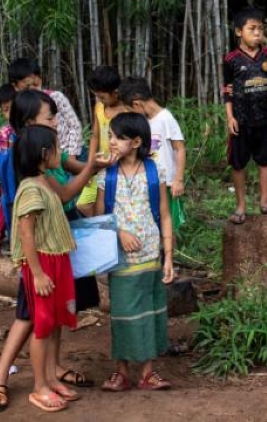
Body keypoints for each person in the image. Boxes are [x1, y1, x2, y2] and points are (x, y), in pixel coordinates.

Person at [0, 91, 103, 413]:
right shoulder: (26, 176)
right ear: (30, 126)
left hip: (55, 252)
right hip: (39, 257)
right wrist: (33, 268)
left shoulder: (42, 171)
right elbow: (24, 223)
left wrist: (91, 166)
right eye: (50, 118)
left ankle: (50, 376)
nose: (55, 122)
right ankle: (7, 378)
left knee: (52, 319)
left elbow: (66, 189)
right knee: (34, 319)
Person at [96, 113, 175, 392]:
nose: (112, 141)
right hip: (120, 258)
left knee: (149, 311)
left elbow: (165, 215)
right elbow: (99, 217)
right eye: (111, 136)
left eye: (119, 137)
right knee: (123, 312)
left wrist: (169, 256)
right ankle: (121, 371)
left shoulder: (155, 171)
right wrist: (120, 233)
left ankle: (148, 373)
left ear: (137, 141)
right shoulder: (107, 174)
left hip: (151, 254)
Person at [10, 125, 83, 412]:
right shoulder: (30, 188)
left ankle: (51, 378)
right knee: (41, 326)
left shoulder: (45, 180)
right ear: (44, 153)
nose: (61, 152)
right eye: (57, 146)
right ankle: (39, 387)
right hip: (42, 263)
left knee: (54, 323)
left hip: (56, 259)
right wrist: (38, 273)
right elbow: (26, 233)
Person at [222, 7, 267, 223]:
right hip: (241, 121)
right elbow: (227, 89)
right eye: (251, 29)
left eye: (260, 29)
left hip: (262, 119)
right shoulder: (231, 59)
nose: (257, 33)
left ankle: (264, 202)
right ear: (238, 32)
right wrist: (230, 117)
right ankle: (241, 206)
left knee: (264, 162)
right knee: (238, 163)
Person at [76, 66, 127, 216]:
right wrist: (89, 166)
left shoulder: (126, 112)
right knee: (83, 204)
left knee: (112, 204)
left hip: (120, 166)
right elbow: (95, 136)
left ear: (116, 92)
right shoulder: (99, 107)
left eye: (102, 97)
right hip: (99, 165)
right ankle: (104, 229)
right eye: (96, 96)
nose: (99, 100)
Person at [8, 57, 83, 157]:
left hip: (70, 153)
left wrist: (71, 155)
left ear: (40, 79)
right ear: (15, 86)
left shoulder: (56, 97)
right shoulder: (19, 109)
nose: (33, 90)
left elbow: (74, 125)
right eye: (26, 88)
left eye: (36, 84)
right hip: (46, 159)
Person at [0, 83, 17, 252]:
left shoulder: (34, 129)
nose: (11, 113)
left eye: (14, 107)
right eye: (6, 109)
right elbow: (3, 169)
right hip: (14, 192)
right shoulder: (3, 135)